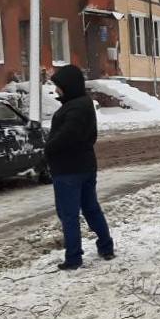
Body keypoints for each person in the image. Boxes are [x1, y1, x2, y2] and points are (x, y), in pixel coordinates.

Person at [44, 64, 114, 271]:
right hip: (85, 166)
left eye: (59, 86)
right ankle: (106, 246)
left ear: (69, 86)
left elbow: (67, 136)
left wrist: (49, 147)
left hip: (68, 170)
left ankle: (73, 257)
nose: (56, 90)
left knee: (69, 214)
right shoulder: (83, 104)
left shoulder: (75, 108)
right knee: (91, 209)